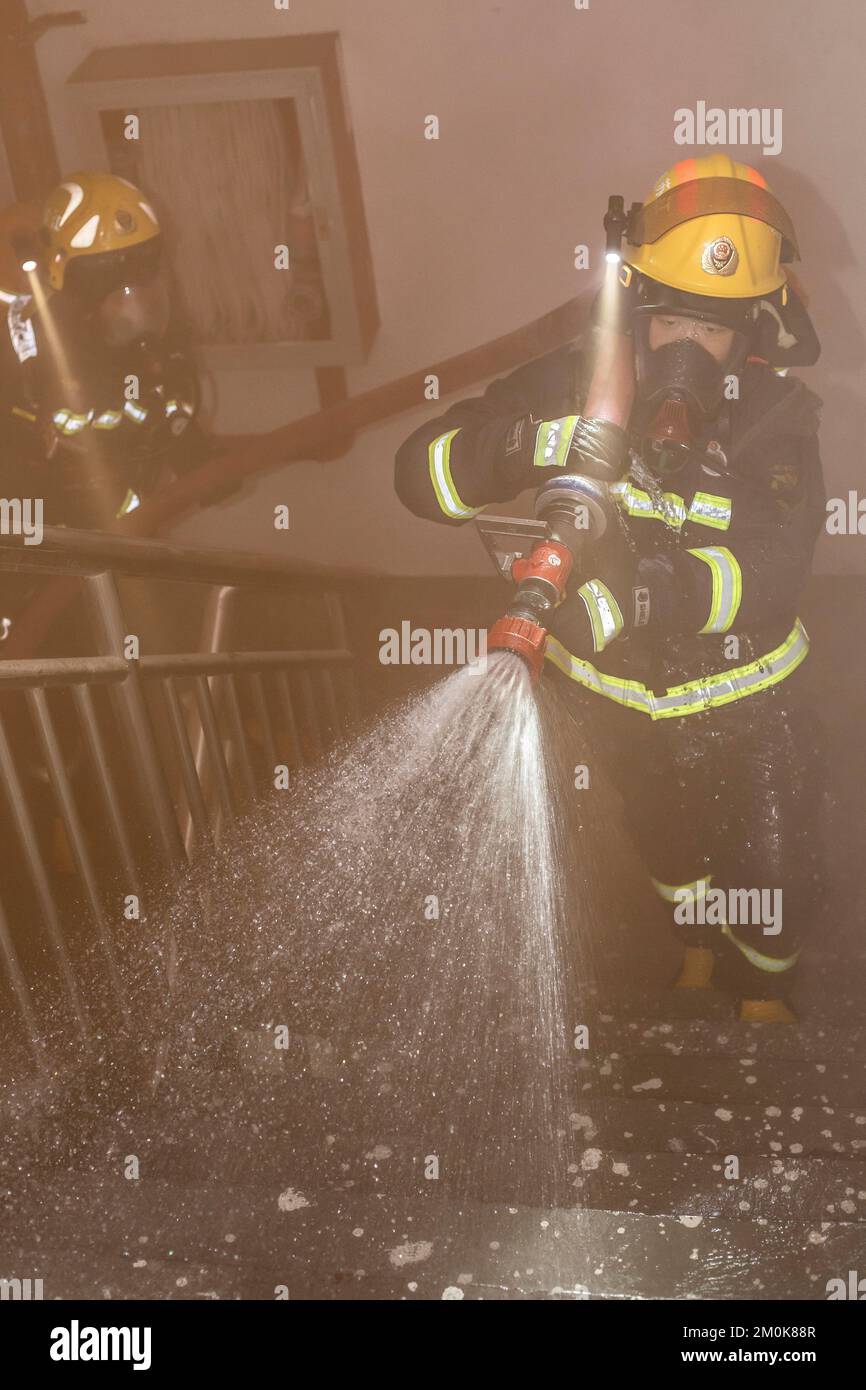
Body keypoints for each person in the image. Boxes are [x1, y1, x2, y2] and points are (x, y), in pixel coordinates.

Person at [394, 154, 826, 1023]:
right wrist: (535, 444)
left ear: (753, 337)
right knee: (663, 840)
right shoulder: (571, 380)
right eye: (670, 323)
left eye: (716, 335)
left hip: (747, 699)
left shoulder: (780, 418)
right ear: (634, 310)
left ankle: (766, 991)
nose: (688, 357)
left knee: (770, 858)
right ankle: (698, 942)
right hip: (615, 698)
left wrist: (647, 599)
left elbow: (775, 568)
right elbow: (420, 477)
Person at [0, 170, 203, 532]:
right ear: (82, 296)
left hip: (125, 546)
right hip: (46, 550)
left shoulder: (140, 354)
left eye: (146, 286)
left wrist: (191, 450)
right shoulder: (32, 353)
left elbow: (155, 411)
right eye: (122, 292)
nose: (139, 310)